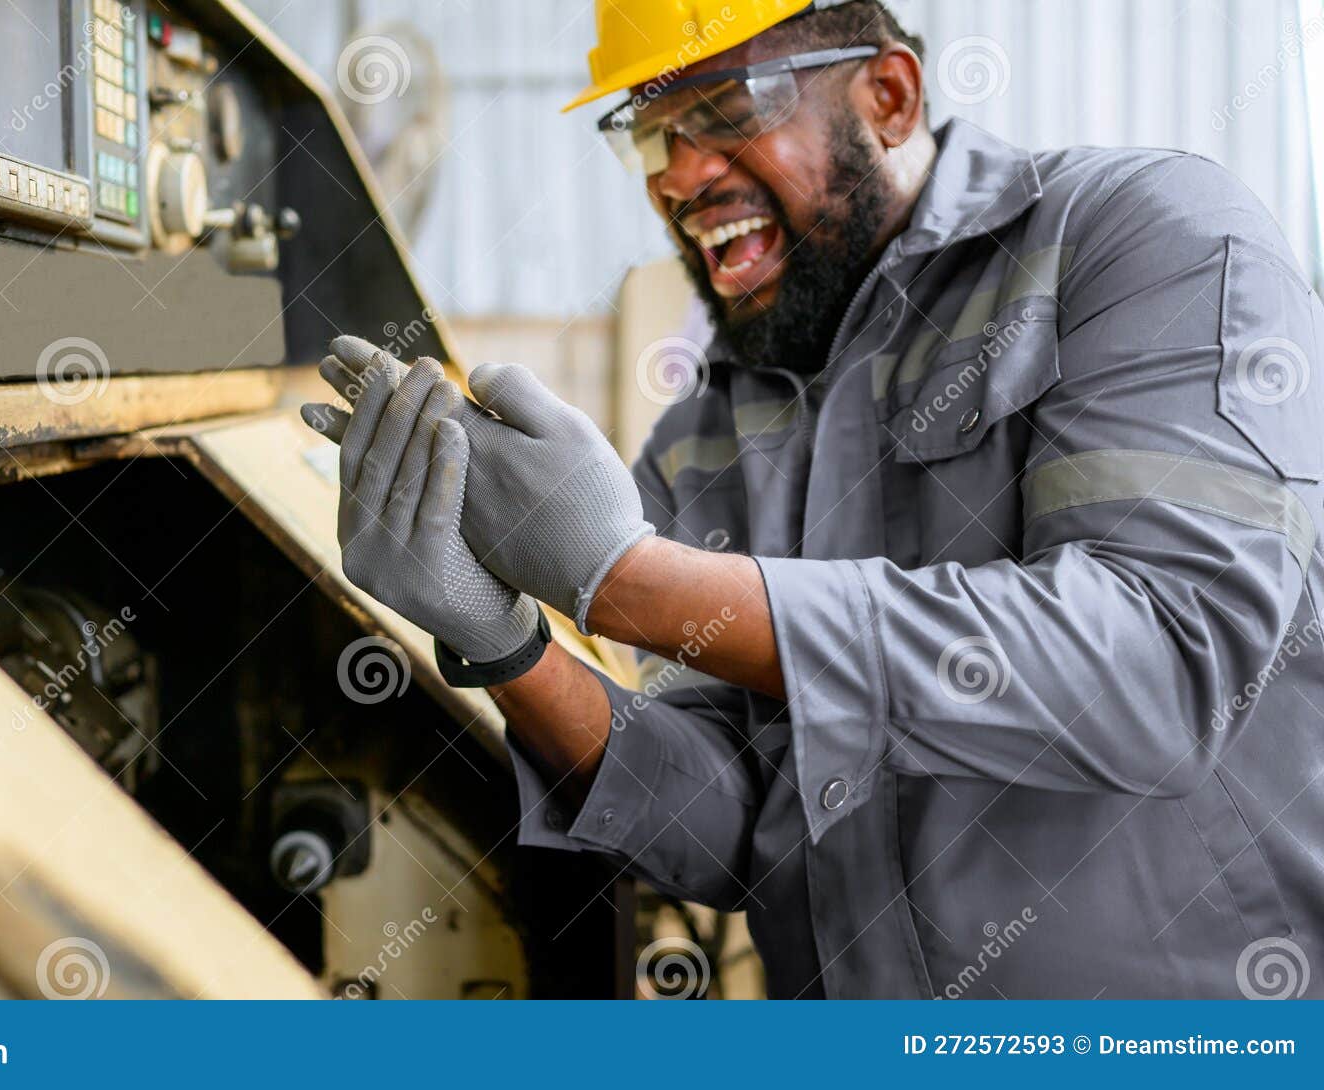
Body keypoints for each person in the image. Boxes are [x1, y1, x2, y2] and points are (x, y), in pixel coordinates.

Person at [301, 0, 1324, 998]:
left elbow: (1162, 662)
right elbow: (736, 828)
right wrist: (509, 647)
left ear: (887, 93)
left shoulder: (1135, 244)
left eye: (727, 109)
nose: (681, 176)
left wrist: (625, 582)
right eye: (650, 134)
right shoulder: (703, 440)